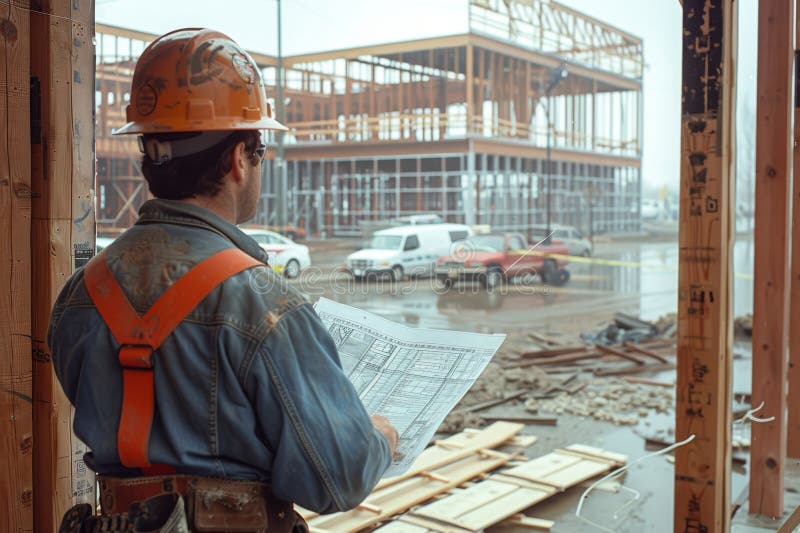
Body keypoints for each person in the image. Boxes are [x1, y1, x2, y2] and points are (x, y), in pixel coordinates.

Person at [49, 28, 398, 532]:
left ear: (149, 154)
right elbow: (336, 478)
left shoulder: (80, 294)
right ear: (238, 158)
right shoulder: (265, 305)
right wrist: (378, 439)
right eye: (259, 150)